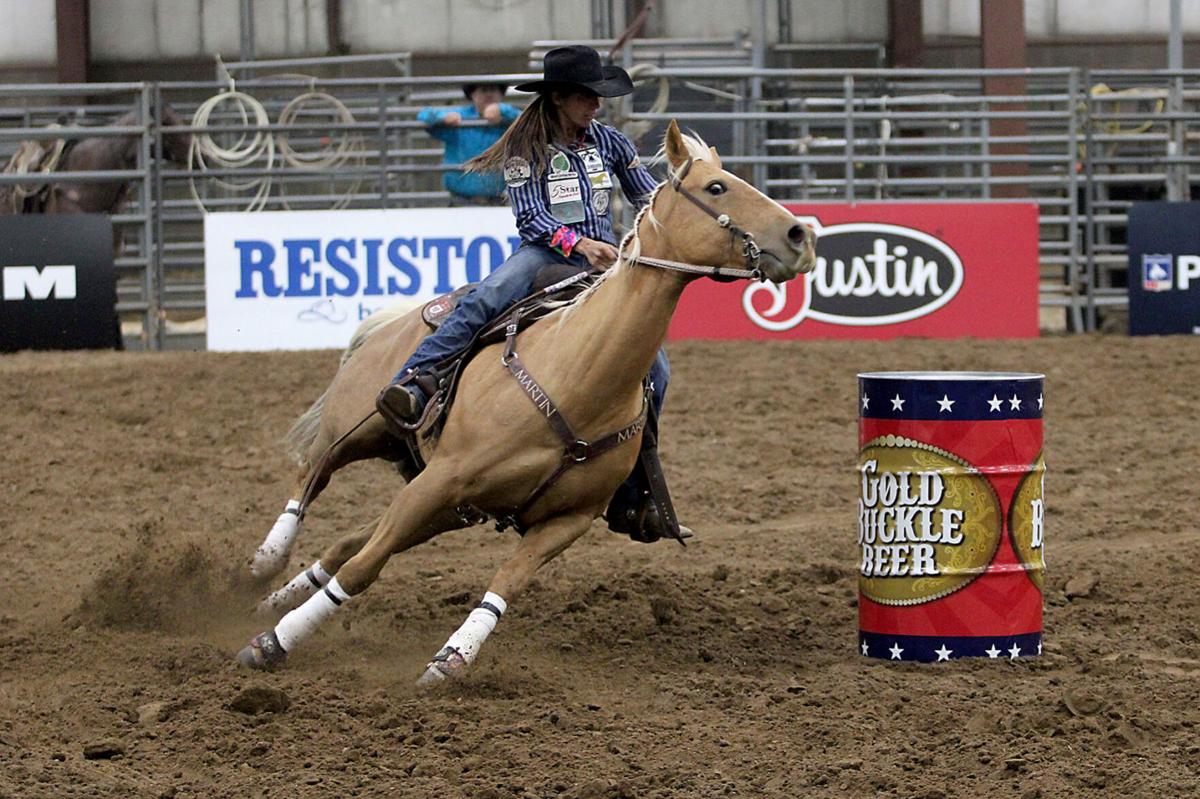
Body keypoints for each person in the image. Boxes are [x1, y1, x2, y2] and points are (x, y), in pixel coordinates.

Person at [377, 44, 682, 541]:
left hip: (602, 259)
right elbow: (531, 219)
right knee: (485, 297)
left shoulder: (611, 143)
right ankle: (416, 381)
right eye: (588, 96)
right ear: (560, 97)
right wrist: (579, 243)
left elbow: (646, 196)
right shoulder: (525, 148)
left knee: (658, 370)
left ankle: (632, 494)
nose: (597, 105)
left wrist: (673, 208)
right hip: (545, 255)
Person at [418, 82, 520, 203]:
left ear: (500, 94)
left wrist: (503, 110)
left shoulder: (508, 120)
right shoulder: (460, 117)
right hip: (459, 200)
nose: (489, 94)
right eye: (483, 90)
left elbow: (527, 121)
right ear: (472, 94)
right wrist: (443, 117)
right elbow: (424, 115)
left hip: (496, 200)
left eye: (493, 90)